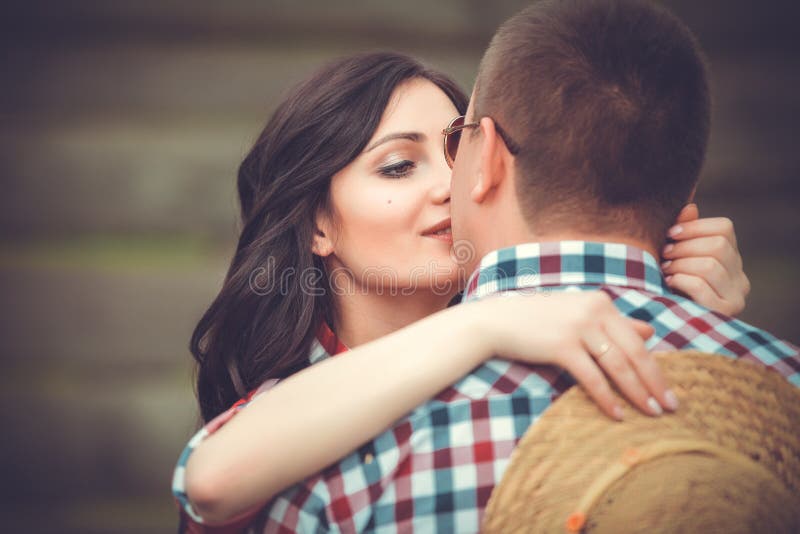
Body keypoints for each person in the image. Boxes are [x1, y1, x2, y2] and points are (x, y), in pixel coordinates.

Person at [172, 42, 756, 534]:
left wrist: (692, 325)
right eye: (399, 165)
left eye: (458, 150)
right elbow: (210, 481)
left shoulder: (544, 341)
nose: (450, 186)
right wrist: (482, 323)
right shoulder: (277, 426)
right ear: (318, 226)